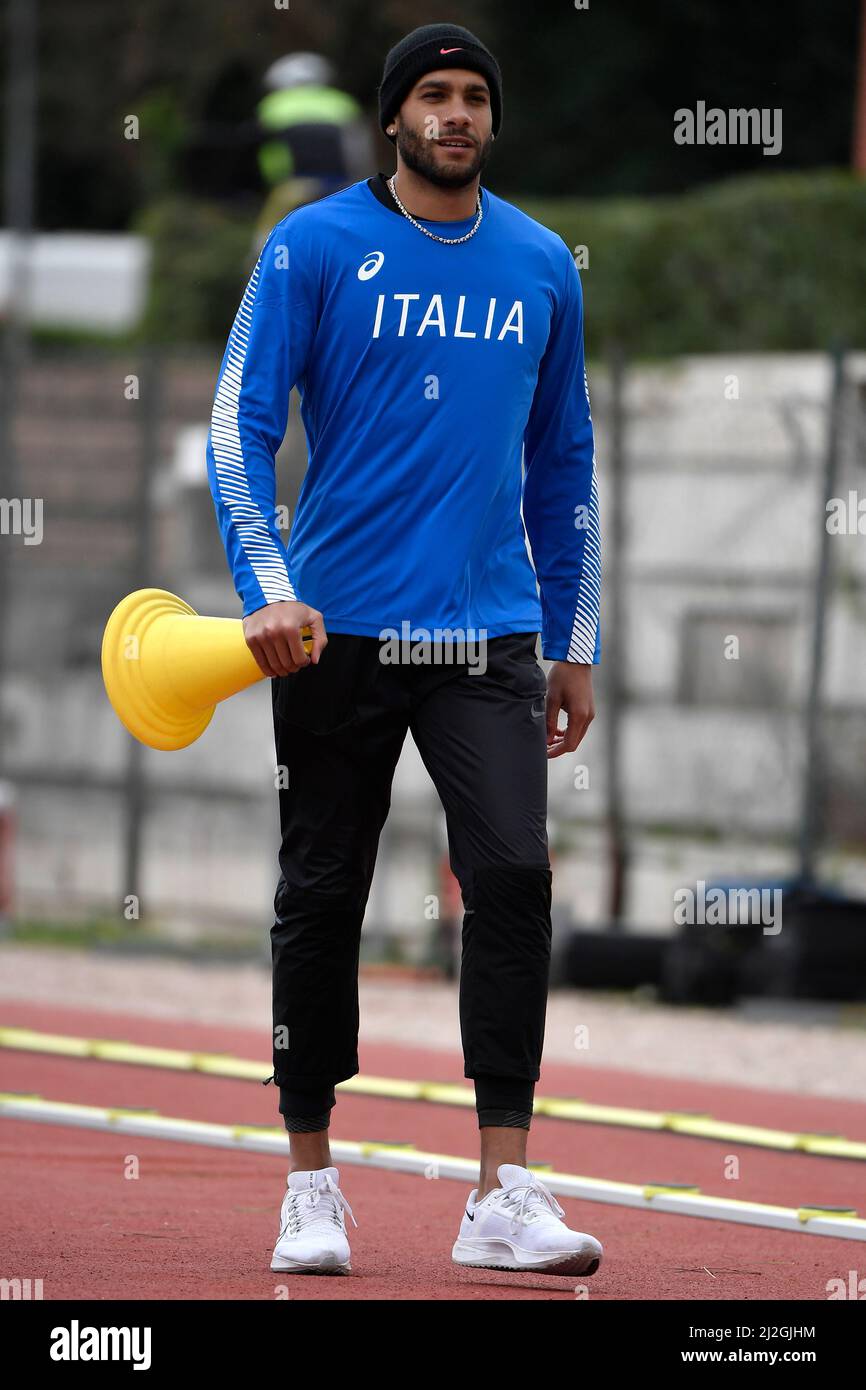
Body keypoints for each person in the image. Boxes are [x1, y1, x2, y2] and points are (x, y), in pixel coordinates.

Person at [206, 22, 603, 1279]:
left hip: (487, 634)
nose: (454, 114)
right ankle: (310, 1182)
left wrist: (574, 638)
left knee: (515, 882)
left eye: (473, 96)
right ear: (393, 117)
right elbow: (239, 425)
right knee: (321, 894)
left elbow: (566, 461)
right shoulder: (311, 246)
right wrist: (266, 587)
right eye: (432, 95)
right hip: (335, 632)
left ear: (492, 119)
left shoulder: (542, 262)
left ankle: (501, 1190)